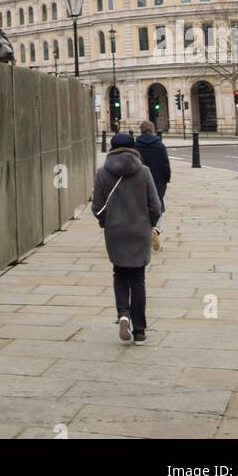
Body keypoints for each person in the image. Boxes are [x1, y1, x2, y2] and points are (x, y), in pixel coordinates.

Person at [92, 131, 162, 344]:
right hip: (140, 231)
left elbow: (96, 207)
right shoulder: (144, 172)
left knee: (120, 274)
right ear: (133, 147)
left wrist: (106, 222)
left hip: (115, 232)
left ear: (112, 148)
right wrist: (149, 224)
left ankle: (123, 314)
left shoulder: (102, 173)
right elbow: (156, 206)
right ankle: (140, 330)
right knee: (138, 279)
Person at [133, 119, 171, 222]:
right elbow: (165, 164)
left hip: (140, 180)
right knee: (157, 203)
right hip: (157, 179)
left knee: (141, 204)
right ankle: (155, 229)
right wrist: (167, 178)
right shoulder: (159, 145)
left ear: (141, 130)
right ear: (153, 130)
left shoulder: (135, 146)